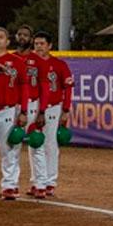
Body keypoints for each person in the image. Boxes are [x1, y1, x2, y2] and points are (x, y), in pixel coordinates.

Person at [0, 27, 29, 201]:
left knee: (10, 149)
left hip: (9, 110)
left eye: (1, 37)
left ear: (8, 41)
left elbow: (24, 87)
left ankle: (10, 185)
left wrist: (23, 111)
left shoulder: (16, 61)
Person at [32, 31, 73, 198]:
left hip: (54, 107)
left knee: (50, 144)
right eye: (36, 44)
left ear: (50, 46)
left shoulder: (59, 64)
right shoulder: (30, 63)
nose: (39, 47)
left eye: (42, 43)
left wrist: (66, 110)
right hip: (34, 106)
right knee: (35, 144)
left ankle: (50, 182)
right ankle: (38, 181)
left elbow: (68, 88)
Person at [16, 25, 47, 199]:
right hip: (14, 106)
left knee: (36, 143)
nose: (22, 37)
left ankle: (40, 184)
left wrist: (42, 111)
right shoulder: (11, 58)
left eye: (26, 35)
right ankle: (11, 185)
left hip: (33, 105)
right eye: (20, 34)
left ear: (31, 39)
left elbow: (44, 88)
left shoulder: (39, 61)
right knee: (12, 144)